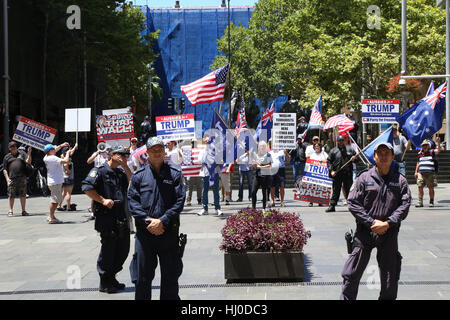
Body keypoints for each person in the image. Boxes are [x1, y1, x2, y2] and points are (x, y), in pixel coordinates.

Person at [340, 142, 411, 300]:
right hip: (365, 232)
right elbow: (352, 202)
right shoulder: (364, 178)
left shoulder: (400, 181)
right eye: (380, 153)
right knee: (351, 274)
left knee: (389, 278)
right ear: (374, 156)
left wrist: (388, 223)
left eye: (387, 153)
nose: (384, 156)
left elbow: (405, 205)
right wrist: (371, 222)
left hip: (389, 233)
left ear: (393, 157)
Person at [127, 136, 185, 300]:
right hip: (145, 235)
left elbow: (180, 201)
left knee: (170, 278)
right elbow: (133, 202)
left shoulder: (174, 175)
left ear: (164, 151)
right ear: (147, 153)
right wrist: (149, 222)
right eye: (153, 150)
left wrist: (162, 220)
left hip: (168, 233)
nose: (157, 152)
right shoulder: (138, 176)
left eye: (160, 149)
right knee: (142, 278)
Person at [81, 145, 132, 294]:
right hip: (106, 217)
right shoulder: (99, 171)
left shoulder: (121, 172)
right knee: (109, 249)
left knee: (123, 249)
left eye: (125, 155)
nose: (123, 156)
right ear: (111, 154)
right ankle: (105, 280)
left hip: (121, 216)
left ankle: (112, 276)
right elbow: (86, 187)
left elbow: (132, 181)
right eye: (120, 154)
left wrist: (125, 165)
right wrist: (102, 200)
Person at [325, 135, 356, 212]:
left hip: (347, 173)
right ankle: (332, 206)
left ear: (344, 141)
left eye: (342, 141)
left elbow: (357, 159)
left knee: (349, 190)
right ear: (337, 142)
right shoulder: (333, 151)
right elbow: (329, 161)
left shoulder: (350, 149)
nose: (341, 142)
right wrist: (331, 171)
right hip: (337, 173)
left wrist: (354, 159)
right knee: (336, 190)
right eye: (339, 141)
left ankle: (351, 206)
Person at [43, 143, 72, 224]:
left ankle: (51, 216)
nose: (54, 150)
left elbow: (56, 149)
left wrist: (62, 145)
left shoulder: (46, 157)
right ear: (49, 151)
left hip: (54, 181)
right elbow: (66, 161)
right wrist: (68, 153)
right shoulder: (53, 158)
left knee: (56, 199)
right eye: (52, 149)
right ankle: (51, 217)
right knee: (55, 200)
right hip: (55, 182)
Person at [3, 141, 32, 217]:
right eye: (12, 146)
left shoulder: (22, 153)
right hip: (12, 178)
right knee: (11, 195)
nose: (14, 148)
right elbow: (5, 169)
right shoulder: (7, 157)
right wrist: (7, 179)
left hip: (22, 177)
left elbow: (28, 162)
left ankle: (23, 211)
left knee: (23, 195)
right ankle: (10, 211)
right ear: (9, 148)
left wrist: (29, 153)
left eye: (15, 146)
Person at [197, 134, 222, 216]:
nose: (207, 140)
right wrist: (204, 160)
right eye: (205, 138)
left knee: (216, 191)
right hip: (205, 173)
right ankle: (204, 208)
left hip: (214, 173)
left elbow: (221, 162)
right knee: (204, 191)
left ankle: (217, 208)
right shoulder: (202, 150)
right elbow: (198, 161)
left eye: (209, 138)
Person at [414, 137, 441, 208]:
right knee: (420, 186)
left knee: (431, 188)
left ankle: (431, 201)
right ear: (421, 147)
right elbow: (418, 163)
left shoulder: (431, 151)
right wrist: (416, 171)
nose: (424, 147)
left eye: (426, 145)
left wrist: (438, 142)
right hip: (421, 173)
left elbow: (438, 151)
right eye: (423, 145)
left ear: (428, 146)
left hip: (430, 173)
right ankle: (420, 202)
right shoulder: (419, 153)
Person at [250, 141, 272, 210]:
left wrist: (260, 167)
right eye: (260, 146)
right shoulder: (255, 155)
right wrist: (253, 165)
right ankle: (253, 207)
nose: (261, 147)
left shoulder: (268, 155)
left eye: (263, 146)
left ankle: (264, 208)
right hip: (257, 176)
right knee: (253, 191)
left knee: (264, 192)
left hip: (265, 176)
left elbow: (270, 165)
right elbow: (251, 166)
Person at [57, 143, 78, 211]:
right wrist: (68, 170)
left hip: (64, 177)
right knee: (68, 193)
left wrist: (74, 147)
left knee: (63, 193)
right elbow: (66, 164)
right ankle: (68, 207)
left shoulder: (62, 156)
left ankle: (59, 205)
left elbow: (71, 152)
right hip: (68, 177)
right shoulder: (67, 159)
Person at [308, 143, 328, 207]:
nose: (317, 147)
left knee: (320, 188)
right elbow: (310, 163)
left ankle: (320, 201)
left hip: (321, 174)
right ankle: (311, 202)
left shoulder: (324, 154)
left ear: (320, 147)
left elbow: (328, 160)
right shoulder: (312, 155)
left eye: (318, 146)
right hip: (313, 173)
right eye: (315, 146)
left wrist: (323, 162)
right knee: (312, 188)